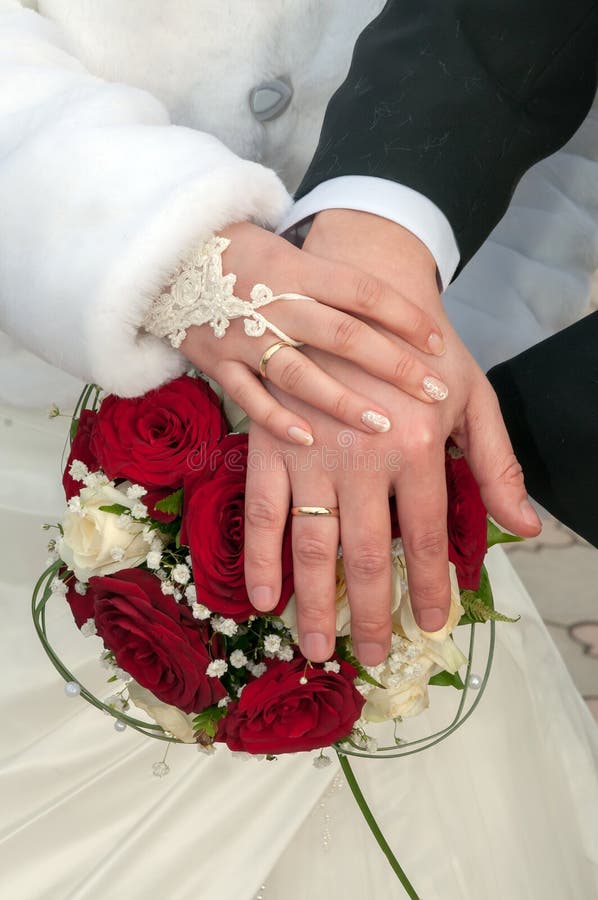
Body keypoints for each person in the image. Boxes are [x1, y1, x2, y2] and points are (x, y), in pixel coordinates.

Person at [0, 2, 596, 899]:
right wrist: (167, 246)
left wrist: (410, 354)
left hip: (400, 420)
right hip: (40, 345)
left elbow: (543, 64)